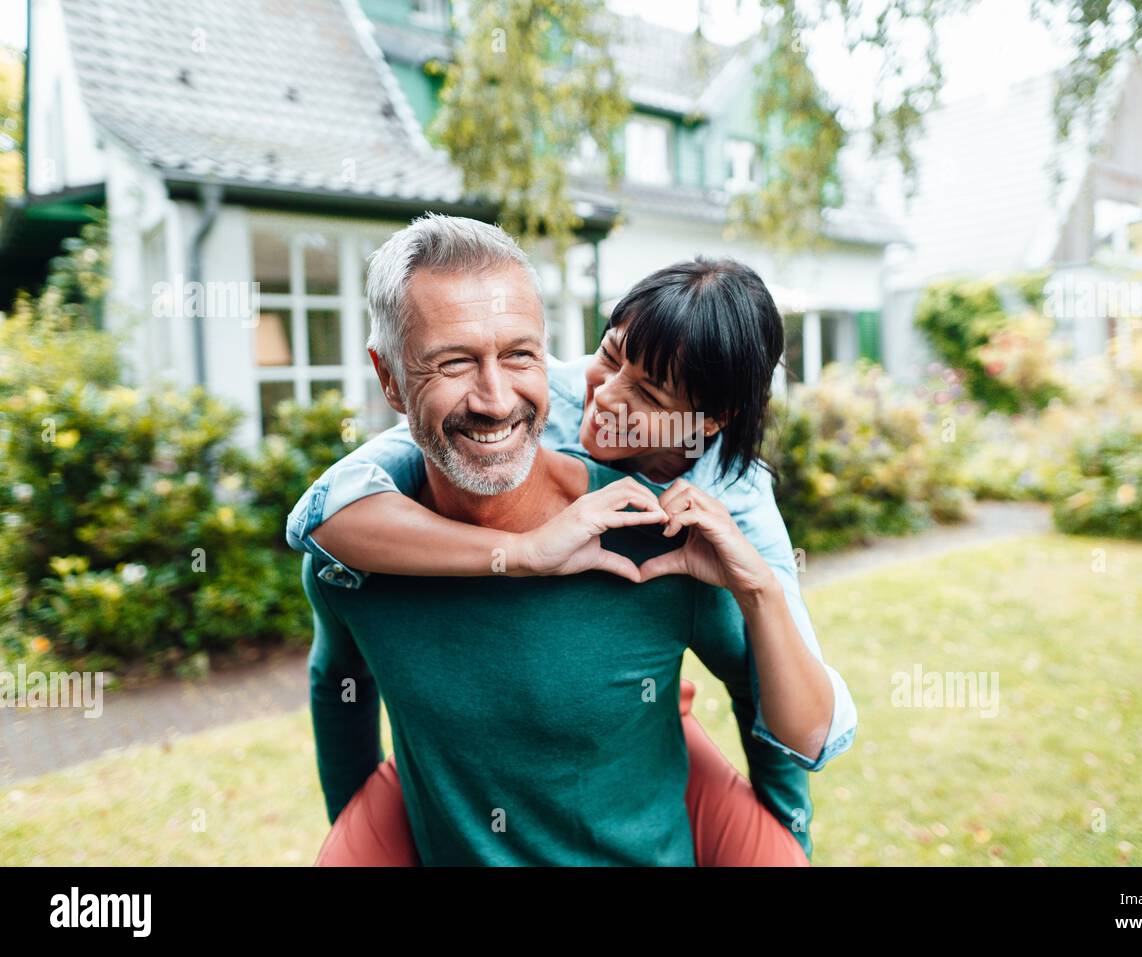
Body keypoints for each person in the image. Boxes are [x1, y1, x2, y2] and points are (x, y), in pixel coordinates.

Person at [296, 214, 856, 864]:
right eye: (610, 357)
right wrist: (524, 555)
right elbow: (322, 518)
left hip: (636, 728)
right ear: (389, 378)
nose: (606, 397)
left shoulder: (716, 518)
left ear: (706, 423)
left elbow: (795, 719)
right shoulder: (555, 393)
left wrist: (787, 833)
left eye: (647, 393)